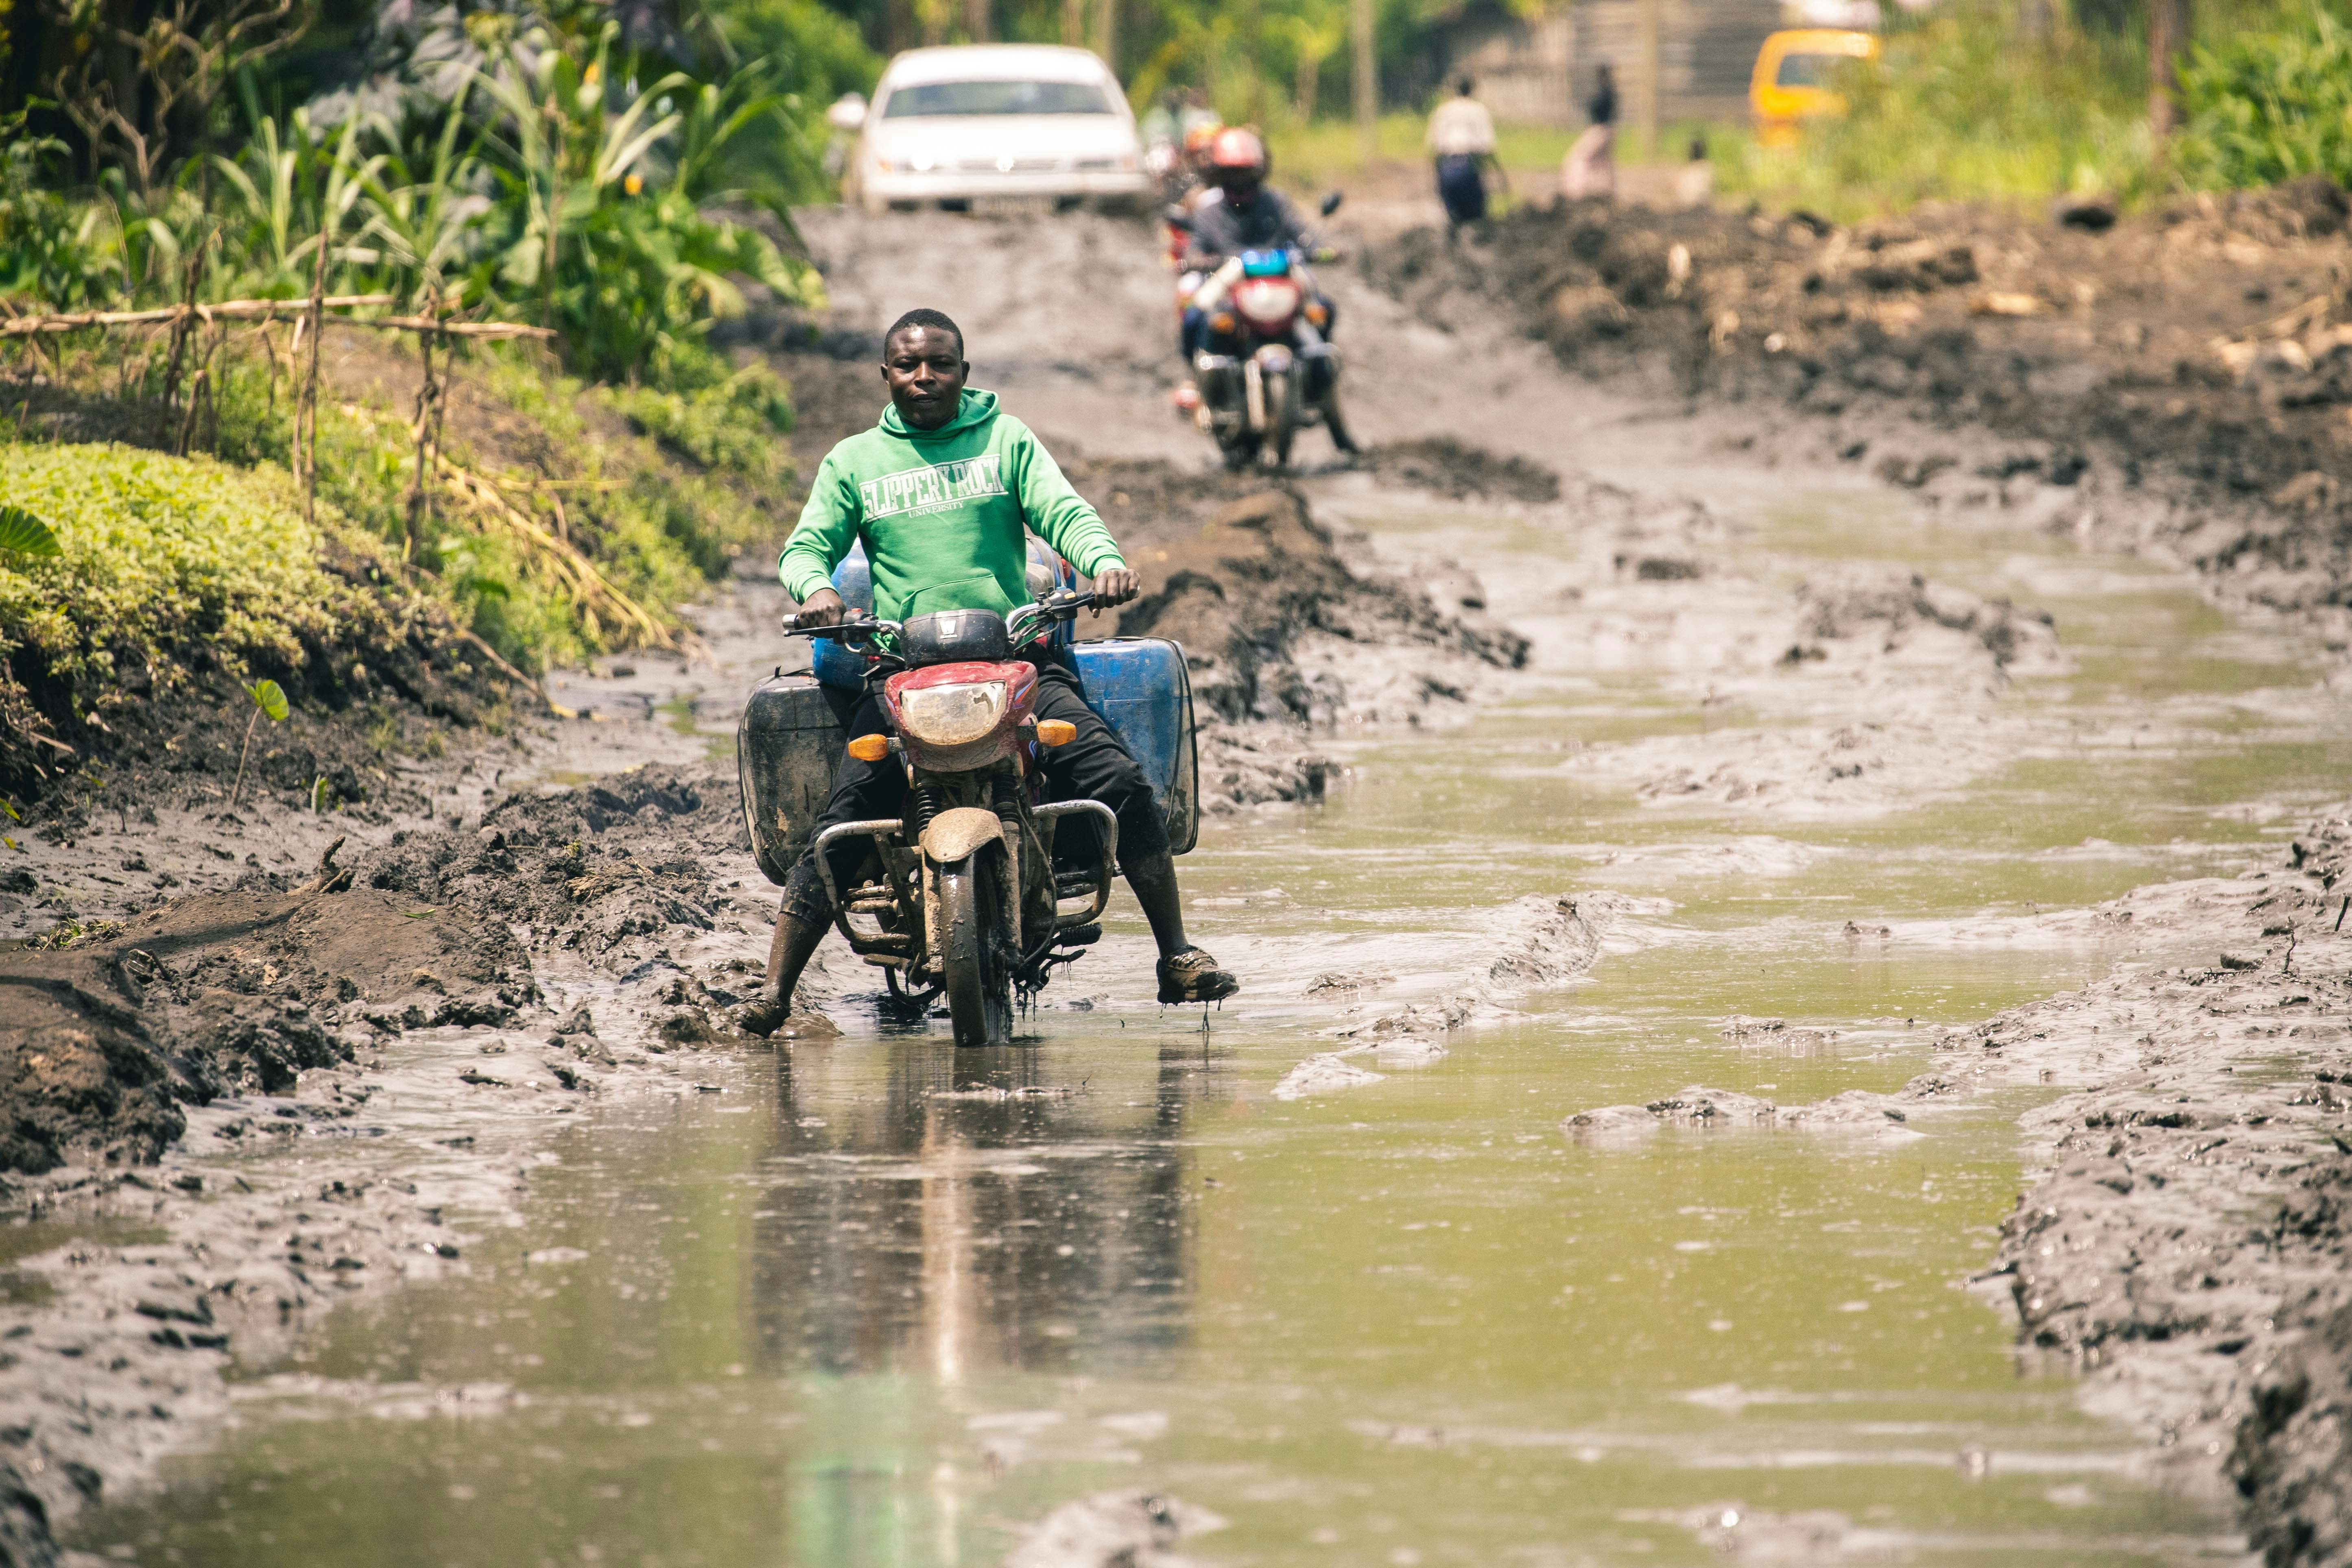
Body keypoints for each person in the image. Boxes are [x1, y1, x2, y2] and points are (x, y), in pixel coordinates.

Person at [748, 309, 1242, 1036]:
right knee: (844, 817)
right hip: (901, 670)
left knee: (1118, 779)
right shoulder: (853, 461)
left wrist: (1103, 562)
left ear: (964, 373)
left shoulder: (1005, 440)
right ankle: (775, 991)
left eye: (940, 365)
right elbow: (804, 547)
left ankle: (1175, 954)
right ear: (886, 375)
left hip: (1016, 657)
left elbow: (1064, 512)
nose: (924, 378)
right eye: (909, 366)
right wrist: (816, 591)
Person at [1426, 76, 1497, 232]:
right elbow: (1487, 147)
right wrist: (1498, 175)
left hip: (1447, 168)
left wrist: (1436, 178)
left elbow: (1434, 146)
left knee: (1454, 220)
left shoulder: (1443, 110)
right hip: (1469, 167)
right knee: (1475, 220)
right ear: (1472, 91)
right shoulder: (1478, 110)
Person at [1561, 62, 1617, 201]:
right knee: (1602, 164)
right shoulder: (1609, 92)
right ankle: (1605, 192)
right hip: (1607, 130)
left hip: (1600, 130)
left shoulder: (1605, 94)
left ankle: (1576, 192)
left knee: (1577, 158)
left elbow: (1595, 110)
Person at [1673, 133, 1714, 209]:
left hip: (1686, 205)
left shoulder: (1685, 170)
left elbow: (1678, 191)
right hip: (1699, 205)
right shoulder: (1707, 168)